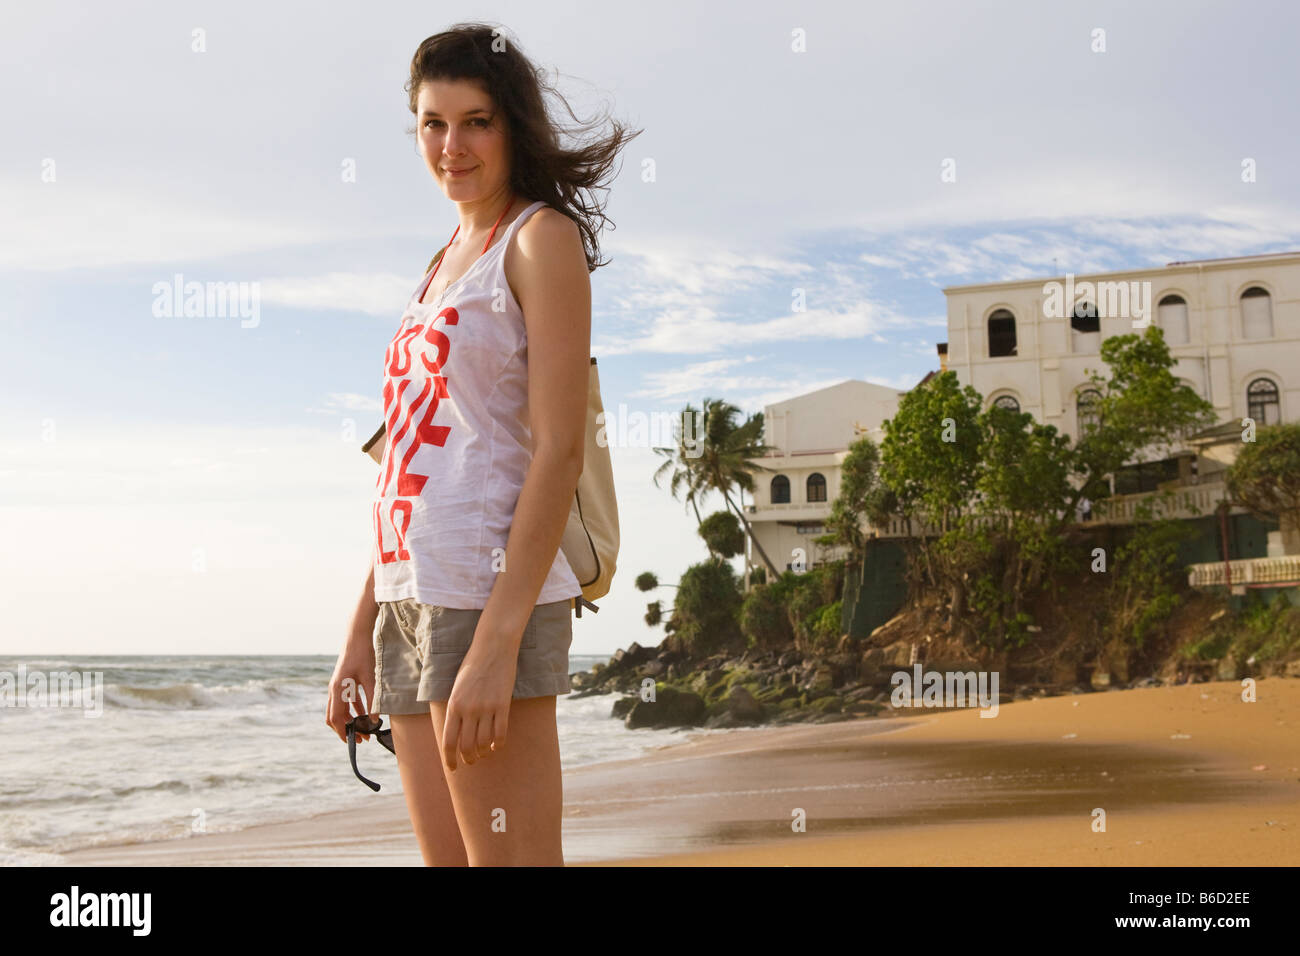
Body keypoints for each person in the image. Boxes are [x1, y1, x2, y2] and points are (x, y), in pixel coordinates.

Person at [325, 22, 640, 866]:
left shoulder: (539, 240)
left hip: (485, 593)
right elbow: (407, 466)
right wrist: (362, 630)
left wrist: (498, 644)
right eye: (434, 123)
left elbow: (559, 452)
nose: (452, 144)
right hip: (409, 594)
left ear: (513, 125)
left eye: (476, 121)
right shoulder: (437, 266)